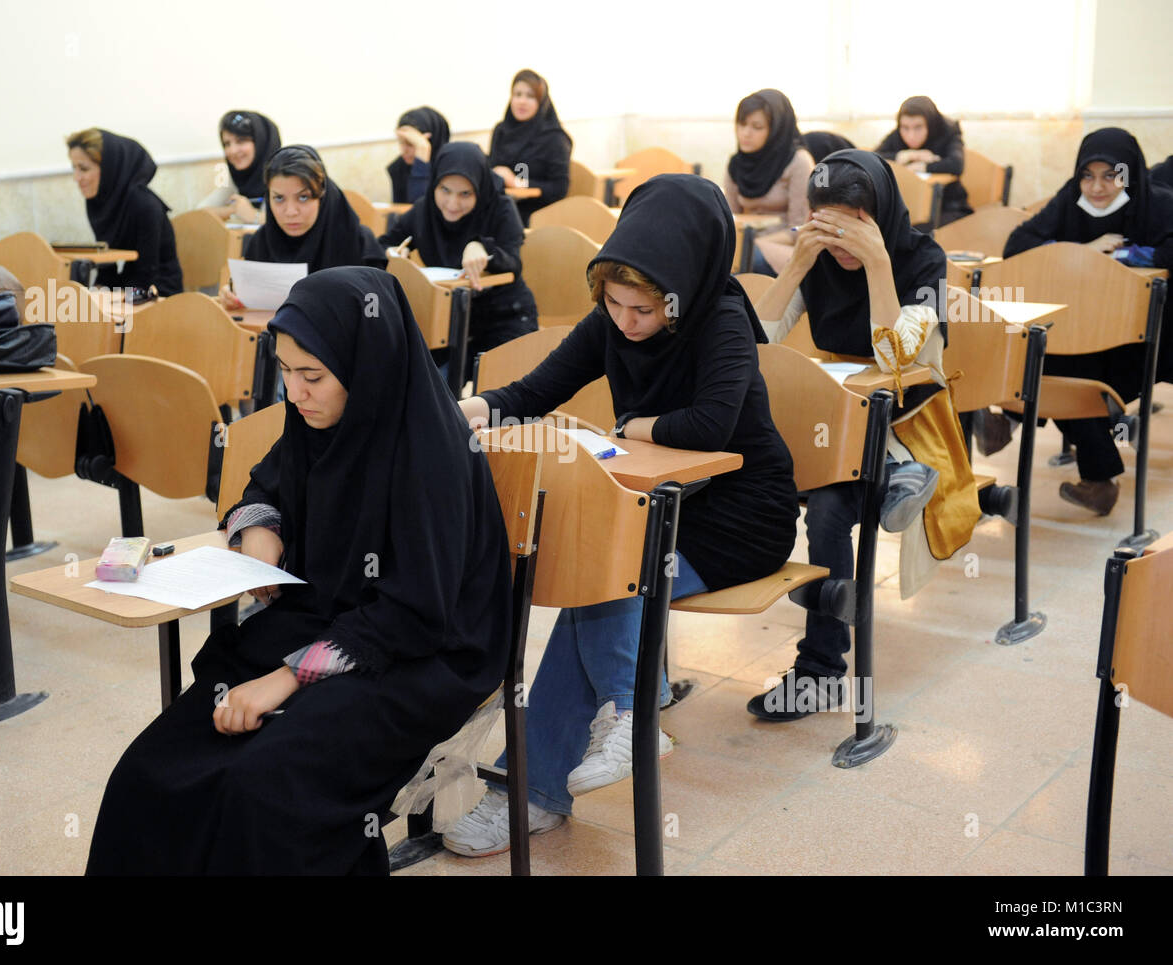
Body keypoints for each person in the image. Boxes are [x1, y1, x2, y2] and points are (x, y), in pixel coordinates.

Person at [85, 266, 513, 875]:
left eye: (312, 376)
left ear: (366, 368)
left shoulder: (431, 454)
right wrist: (260, 531)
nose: (295, 393)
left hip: (422, 654)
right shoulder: (317, 425)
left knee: (267, 790)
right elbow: (263, 485)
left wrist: (282, 680)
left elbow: (414, 613)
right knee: (148, 773)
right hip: (327, 622)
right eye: (285, 371)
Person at [442, 174, 800, 856]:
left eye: (643, 310)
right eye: (614, 305)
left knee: (601, 583)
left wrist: (634, 424)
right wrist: (470, 410)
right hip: (655, 508)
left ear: (684, 289)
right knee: (597, 579)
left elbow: (713, 424)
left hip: (741, 515)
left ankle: (578, 759)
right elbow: (537, 389)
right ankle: (613, 726)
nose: (627, 323)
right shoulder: (612, 318)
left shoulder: (720, 317)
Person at [750, 150, 980, 719]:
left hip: (906, 417)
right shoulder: (819, 260)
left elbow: (896, 357)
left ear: (877, 216)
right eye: (826, 230)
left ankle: (820, 667)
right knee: (803, 504)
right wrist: (798, 267)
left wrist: (879, 266)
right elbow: (754, 343)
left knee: (829, 509)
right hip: (830, 422)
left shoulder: (922, 257)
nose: (839, 248)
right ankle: (822, 665)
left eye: (852, 230)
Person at [995, 128, 1173, 515]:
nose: (1096, 188)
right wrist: (1079, 251)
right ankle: (1097, 479)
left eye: (1110, 175)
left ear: (1131, 174)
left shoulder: (1159, 204)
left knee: (1063, 360)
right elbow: (1018, 244)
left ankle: (1011, 419)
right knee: (1050, 353)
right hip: (1086, 328)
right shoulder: (1070, 200)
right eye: (1087, 176)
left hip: (1145, 338)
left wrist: (1129, 256)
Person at [379, 142, 538, 360]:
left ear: (479, 189)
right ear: (434, 183)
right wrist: (393, 253)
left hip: (504, 317)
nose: (452, 203)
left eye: (465, 194)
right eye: (445, 190)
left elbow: (513, 262)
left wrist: (482, 246)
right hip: (447, 319)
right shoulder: (424, 210)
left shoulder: (500, 208)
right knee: (425, 377)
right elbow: (384, 244)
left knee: (491, 386)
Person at [219, 145, 386, 312]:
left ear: (322, 195)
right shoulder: (262, 242)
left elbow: (376, 311)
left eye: (303, 197)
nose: (291, 212)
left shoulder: (358, 243)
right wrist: (232, 297)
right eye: (278, 198)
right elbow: (249, 308)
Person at [67, 128, 183, 296]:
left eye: (83, 169)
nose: (76, 178)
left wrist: (110, 299)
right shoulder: (98, 203)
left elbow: (146, 274)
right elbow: (108, 266)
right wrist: (95, 293)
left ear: (109, 168)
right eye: (74, 168)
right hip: (129, 287)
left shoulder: (145, 205)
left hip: (162, 293)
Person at [723, 89, 816, 276]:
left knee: (745, 258)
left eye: (757, 127)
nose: (746, 133)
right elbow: (731, 219)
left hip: (786, 248)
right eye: (742, 124)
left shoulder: (799, 161)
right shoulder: (736, 164)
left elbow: (800, 229)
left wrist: (750, 245)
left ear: (776, 129)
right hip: (745, 244)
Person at [487, 69, 572, 225]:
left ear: (541, 102)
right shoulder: (501, 131)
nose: (522, 101)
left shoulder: (554, 138)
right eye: (517, 94)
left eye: (530, 96)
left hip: (535, 217)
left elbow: (559, 188)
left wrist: (517, 182)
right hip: (498, 208)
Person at [874, 96, 973, 225]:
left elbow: (956, 165)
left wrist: (922, 166)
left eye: (918, 127)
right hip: (909, 206)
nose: (911, 135)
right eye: (905, 128)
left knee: (917, 232)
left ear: (930, 123)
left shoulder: (948, 130)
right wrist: (909, 155)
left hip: (947, 207)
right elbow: (874, 157)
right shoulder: (899, 133)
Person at [198, 110, 281, 224]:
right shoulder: (238, 178)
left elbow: (292, 222)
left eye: (241, 141)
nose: (232, 151)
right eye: (227, 144)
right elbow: (200, 212)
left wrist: (254, 216)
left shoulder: (285, 176)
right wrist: (231, 210)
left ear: (262, 142)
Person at [387, 106, 450, 204]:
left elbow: (422, 208)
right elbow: (406, 213)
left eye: (411, 143)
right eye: (401, 142)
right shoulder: (398, 168)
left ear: (432, 142)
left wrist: (422, 152)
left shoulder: (451, 168)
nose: (404, 150)